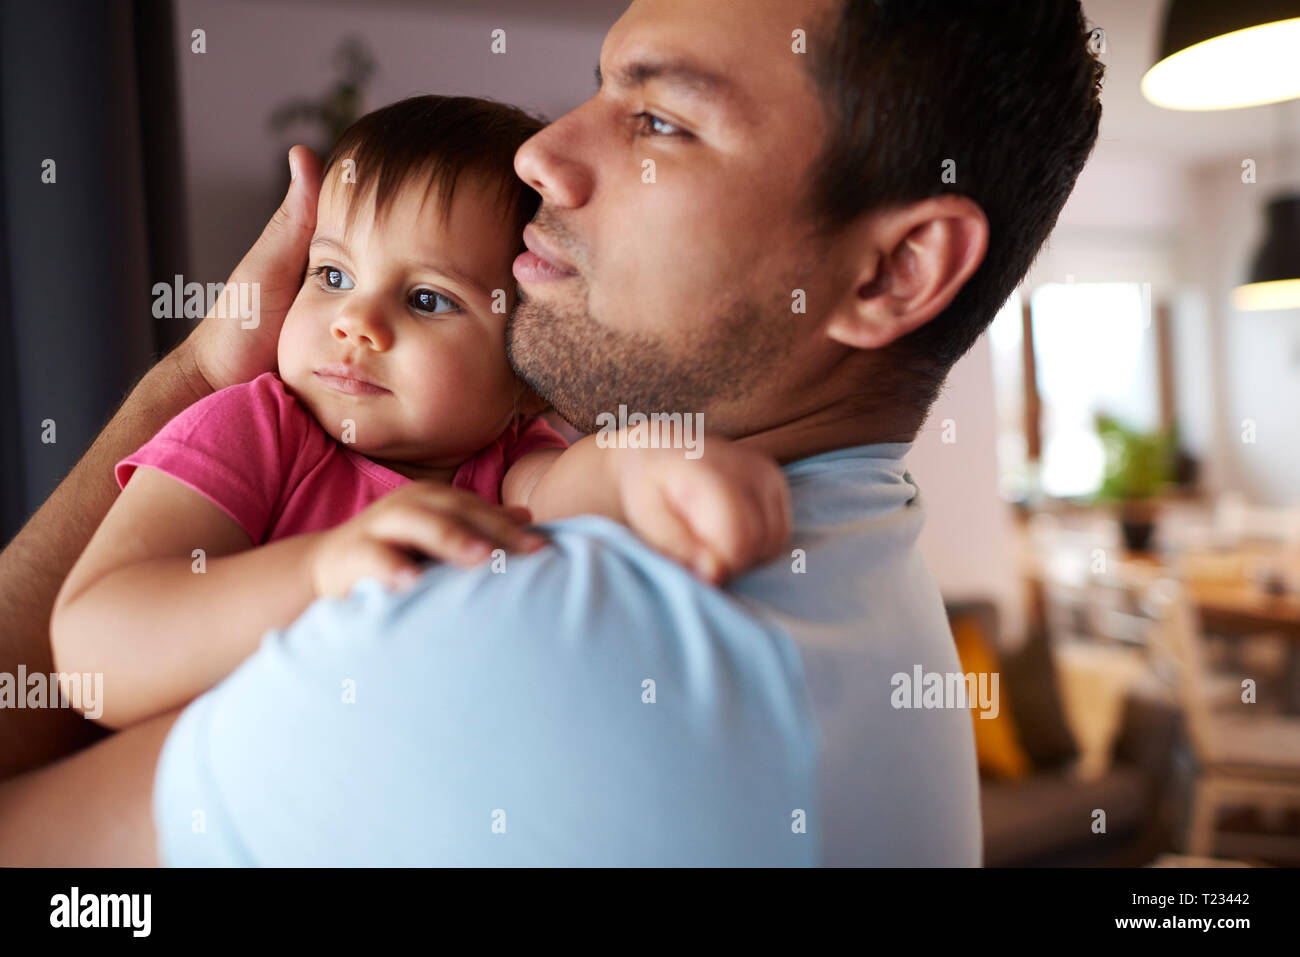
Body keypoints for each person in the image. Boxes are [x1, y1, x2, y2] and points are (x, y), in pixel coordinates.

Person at [0, 0, 1103, 865]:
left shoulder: (520, 634)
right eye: (596, 89)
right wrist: (205, 376)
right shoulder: (866, 545)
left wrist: (639, 461)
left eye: (660, 120)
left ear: (891, 271)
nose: (542, 155)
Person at [47, 94, 789, 731]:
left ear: (530, 371)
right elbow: (94, 653)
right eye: (332, 274)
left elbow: (586, 483)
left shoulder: (508, 467)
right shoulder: (253, 429)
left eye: (428, 298)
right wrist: (321, 571)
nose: (356, 322)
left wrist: (659, 458)